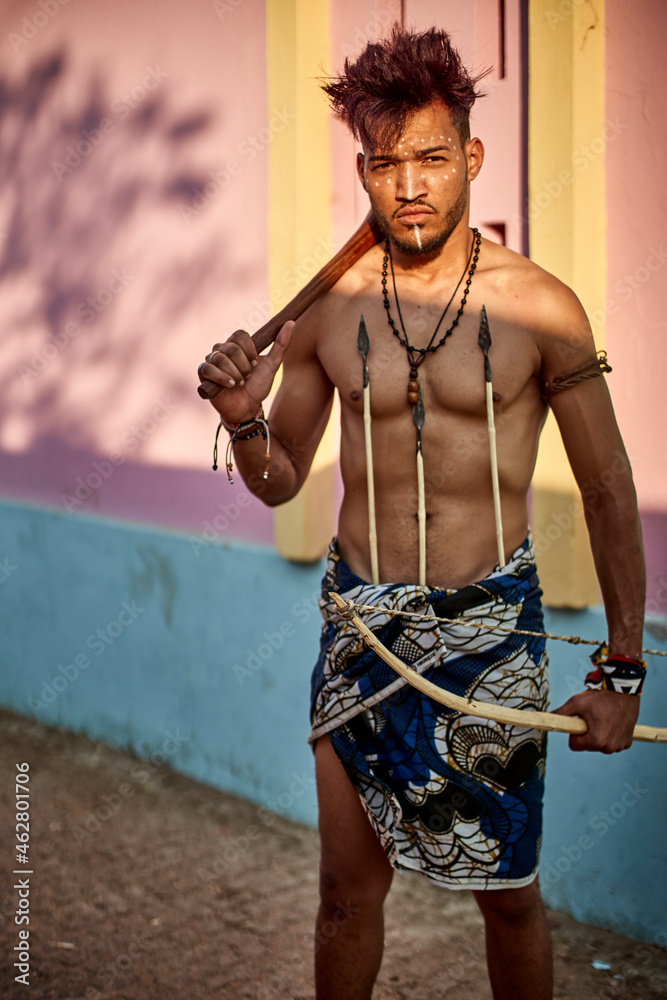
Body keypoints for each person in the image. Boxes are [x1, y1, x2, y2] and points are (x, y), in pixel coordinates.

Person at [197, 26, 646, 1000]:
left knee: (511, 899)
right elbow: (282, 482)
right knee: (346, 898)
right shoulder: (332, 312)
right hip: (362, 633)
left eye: (432, 158)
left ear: (471, 158)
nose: (409, 185)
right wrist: (245, 424)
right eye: (387, 163)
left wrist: (621, 667)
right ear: (363, 167)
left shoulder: (541, 311)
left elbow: (608, 490)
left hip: (489, 639)